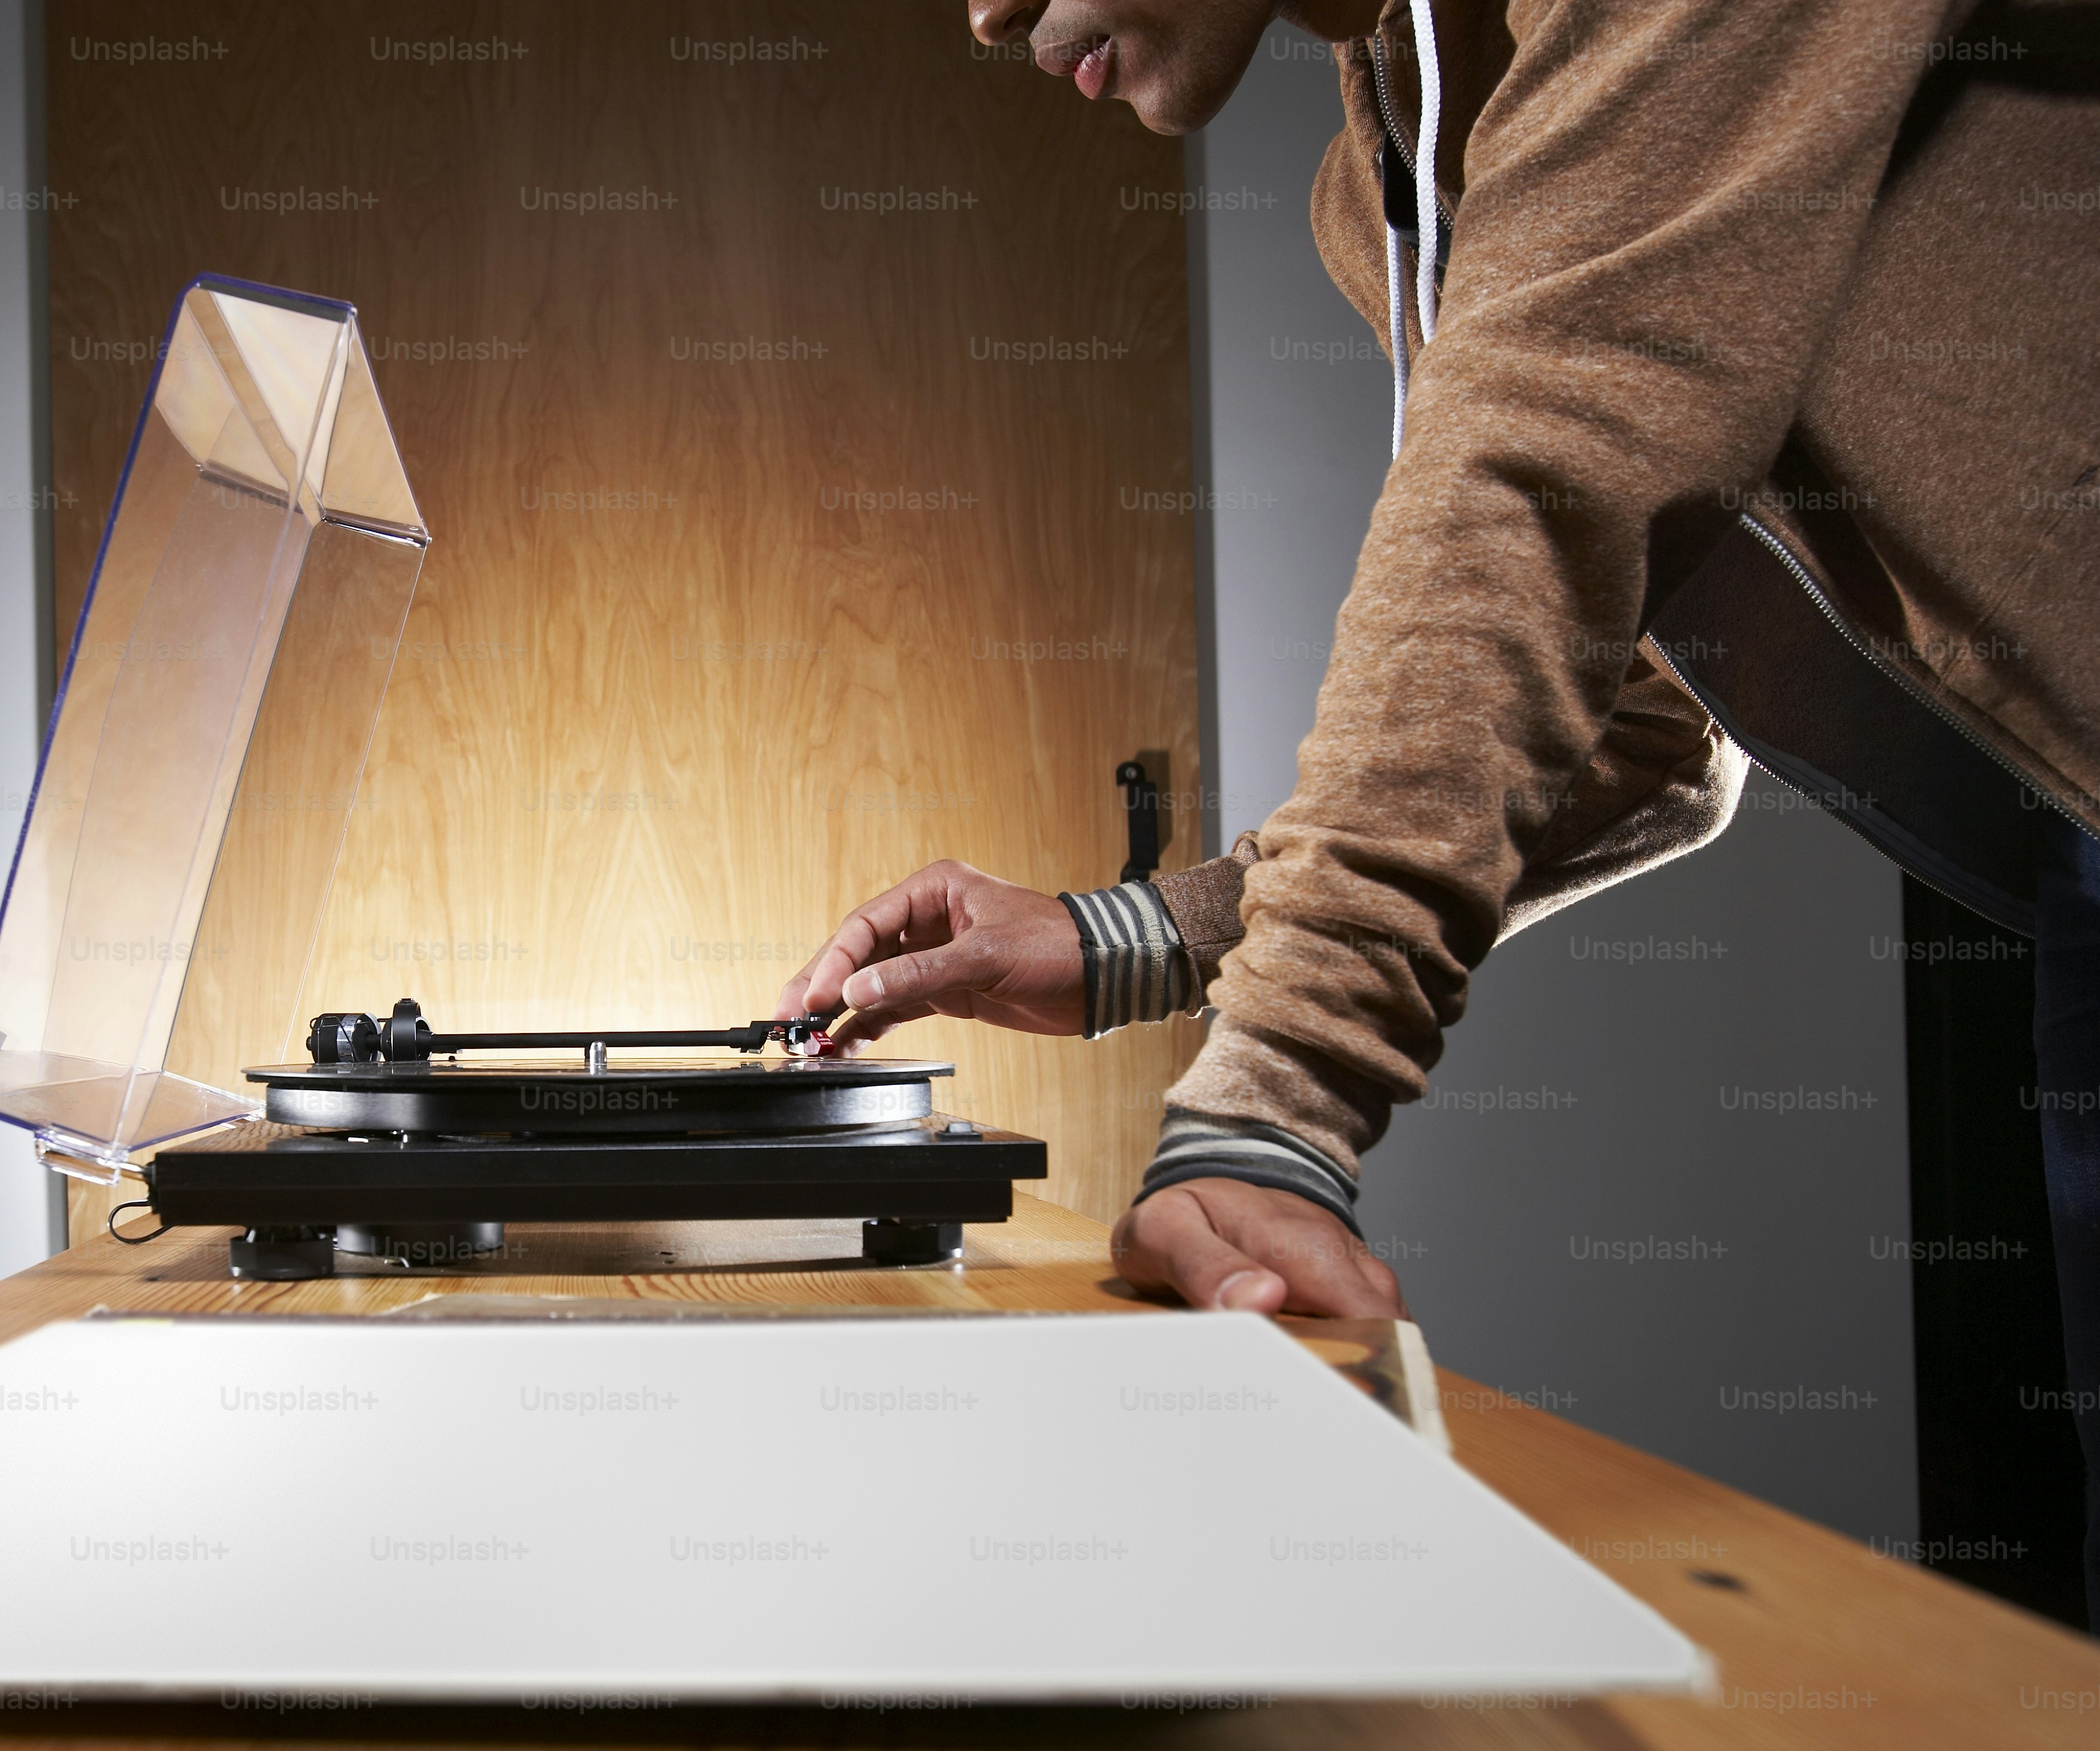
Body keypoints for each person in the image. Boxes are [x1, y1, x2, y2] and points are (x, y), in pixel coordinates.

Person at [779, 0, 2100, 1601]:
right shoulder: (1389, 181)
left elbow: (1538, 474)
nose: (988, 12)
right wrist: (1138, 935)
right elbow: (1631, 725)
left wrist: (1270, 1111)